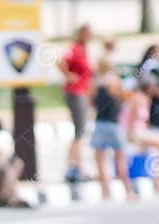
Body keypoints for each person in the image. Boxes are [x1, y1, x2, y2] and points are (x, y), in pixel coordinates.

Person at [90, 58, 133, 199]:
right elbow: (124, 97)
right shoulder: (114, 80)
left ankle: (105, 192)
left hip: (100, 123)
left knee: (100, 160)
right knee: (120, 159)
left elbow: (91, 101)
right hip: (114, 124)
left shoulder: (95, 82)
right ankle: (128, 192)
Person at [58, 24, 93, 182]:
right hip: (75, 92)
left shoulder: (84, 50)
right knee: (79, 130)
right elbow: (60, 61)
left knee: (80, 130)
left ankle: (76, 165)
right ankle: (73, 166)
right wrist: (69, 75)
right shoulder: (75, 49)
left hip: (82, 92)